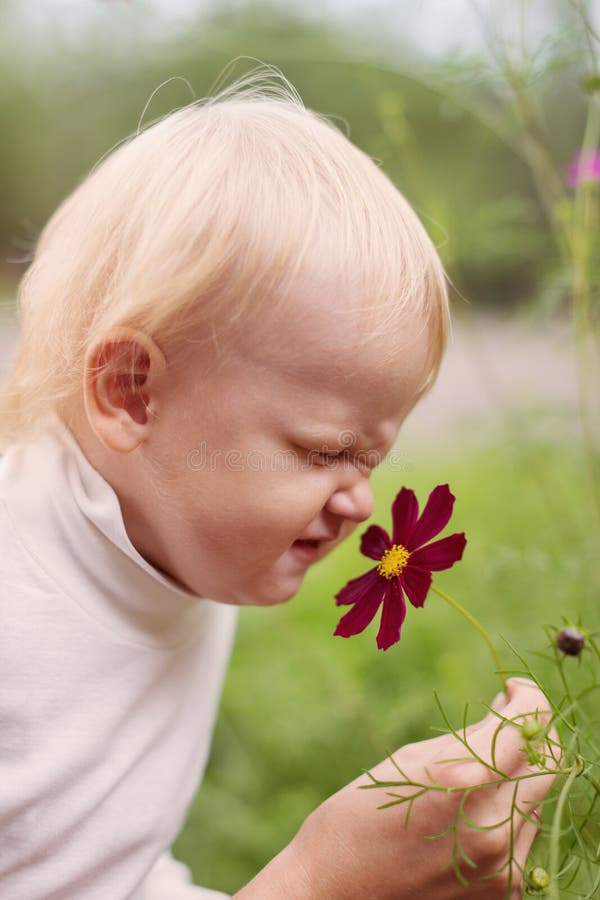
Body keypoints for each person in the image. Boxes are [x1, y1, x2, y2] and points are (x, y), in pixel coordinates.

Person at [0, 72, 555, 899]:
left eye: (372, 459)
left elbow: (91, 866)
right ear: (130, 391)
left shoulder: (174, 539)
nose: (360, 502)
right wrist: (319, 881)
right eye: (324, 448)